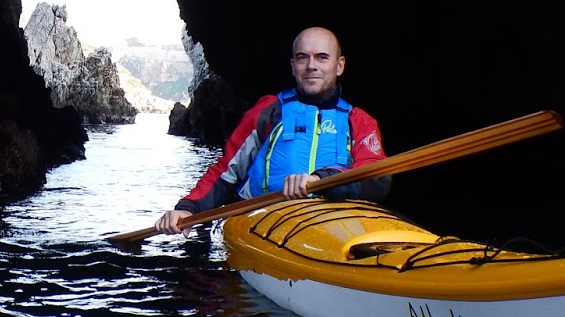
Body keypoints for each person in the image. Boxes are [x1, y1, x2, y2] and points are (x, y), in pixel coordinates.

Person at [155, 26, 390, 233]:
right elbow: (225, 172)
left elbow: (376, 178)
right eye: (302, 58)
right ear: (292, 66)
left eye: (322, 57)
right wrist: (188, 209)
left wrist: (324, 178)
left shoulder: (359, 121)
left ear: (339, 66)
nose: (311, 66)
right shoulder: (268, 111)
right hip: (265, 220)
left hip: (333, 224)